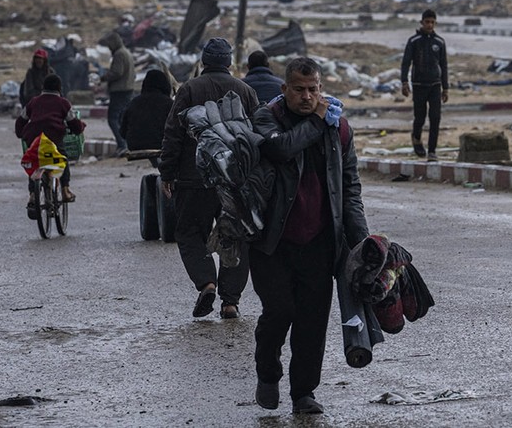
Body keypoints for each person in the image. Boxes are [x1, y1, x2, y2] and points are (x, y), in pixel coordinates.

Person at [250, 57, 369, 415]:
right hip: (272, 239)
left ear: (321, 86)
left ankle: (304, 393)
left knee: (312, 321)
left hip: (320, 241)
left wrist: (362, 241)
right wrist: (318, 119)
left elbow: (350, 188)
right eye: (299, 89)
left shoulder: (339, 129)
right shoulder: (266, 117)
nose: (307, 96)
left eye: (313, 89)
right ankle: (268, 373)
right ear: (284, 89)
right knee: (279, 311)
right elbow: (281, 149)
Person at [160, 38, 259, 320]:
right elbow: (258, 134)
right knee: (236, 236)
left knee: (190, 231)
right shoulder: (246, 90)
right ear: (229, 62)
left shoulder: (189, 89)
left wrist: (167, 172)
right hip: (236, 180)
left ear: (204, 61)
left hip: (194, 179)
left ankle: (207, 283)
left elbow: (173, 133)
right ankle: (230, 302)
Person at [16, 73, 85, 208]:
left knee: (35, 163)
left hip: (34, 138)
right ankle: (65, 190)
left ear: (43, 87)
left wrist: (20, 134)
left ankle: (33, 195)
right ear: (59, 88)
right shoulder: (63, 103)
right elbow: (74, 124)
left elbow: (21, 121)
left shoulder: (33, 102)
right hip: (53, 138)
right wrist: (80, 127)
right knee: (62, 159)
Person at [399, 9, 448, 160]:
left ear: (435, 23)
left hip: (435, 85)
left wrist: (446, 88)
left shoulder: (439, 42)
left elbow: (444, 65)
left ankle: (432, 151)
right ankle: (416, 139)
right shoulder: (414, 41)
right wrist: (404, 82)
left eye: (432, 22)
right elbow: (406, 62)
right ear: (422, 23)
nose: (429, 25)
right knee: (420, 117)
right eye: (427, 22)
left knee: (435, 118)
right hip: (419, 84)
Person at [120, 69, 174, 153]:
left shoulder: (134, 102)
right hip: (161, 144)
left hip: (134, 145)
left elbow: (123, 131)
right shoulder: (169, 104)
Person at [100, 31, 135, 155]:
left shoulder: (119, 54)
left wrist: (103, 77)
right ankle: (126, 143)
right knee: (121, 118)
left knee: (113, 118)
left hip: (120, 90)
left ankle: (121, 144)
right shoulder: (126, 52)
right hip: (127, 89)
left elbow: (117, 72)